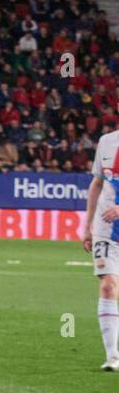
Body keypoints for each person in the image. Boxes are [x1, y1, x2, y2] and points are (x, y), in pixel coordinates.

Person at [83, 127, 119, 371]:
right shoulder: (107, 142)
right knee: (107, 285)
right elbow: (97, 183)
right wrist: (87, 226)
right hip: (106, 229)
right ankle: (112, 357)